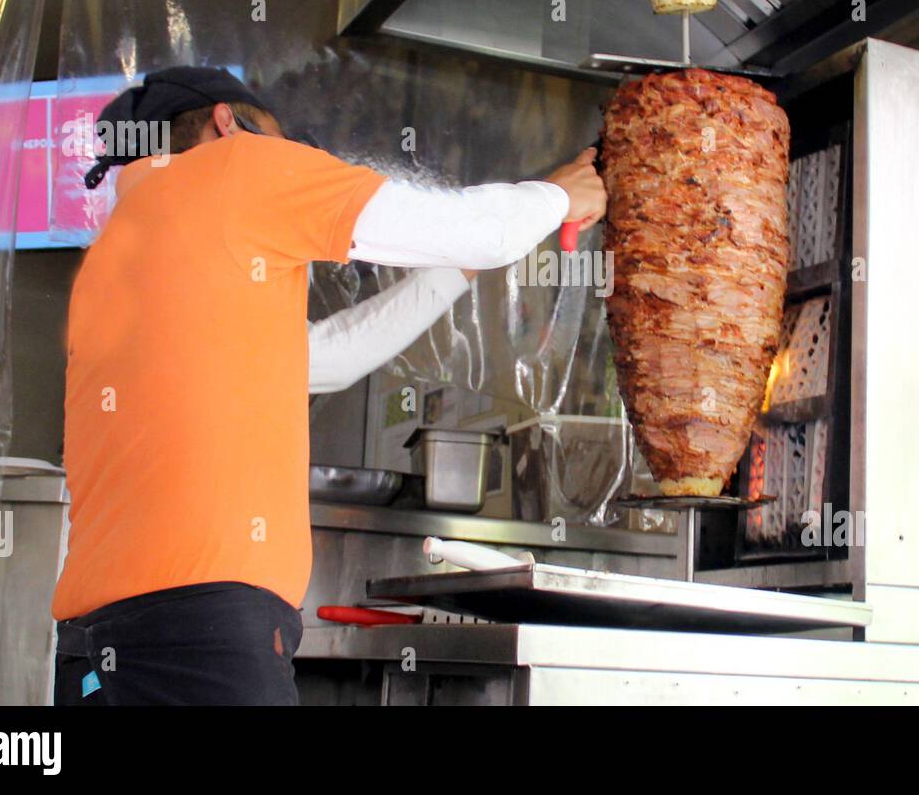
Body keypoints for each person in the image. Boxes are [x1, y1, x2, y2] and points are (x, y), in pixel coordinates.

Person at [52, 66, 604, 705]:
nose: (287, 156)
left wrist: (462, 265)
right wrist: (559, 194)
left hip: (93, 653)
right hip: (203, 641)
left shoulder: (118, 252)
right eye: (280, 140)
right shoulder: (237, 169)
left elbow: (328, 357)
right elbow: (465, 226)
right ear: (229, 124)